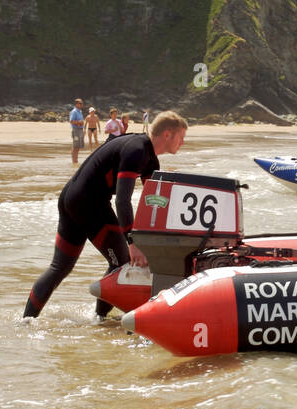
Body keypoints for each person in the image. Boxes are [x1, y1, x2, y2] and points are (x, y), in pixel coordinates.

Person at [24, 111, 188, 319]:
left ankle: (26, 321)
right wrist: (133, 243)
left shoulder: (150, 160)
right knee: (120, 262)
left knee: (60, 267)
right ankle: (99, 320)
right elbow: (122, 200)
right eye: (181, 137)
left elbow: (154, 205)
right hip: (88, 204)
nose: (183, 143)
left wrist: (164, 237)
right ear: (167, 135)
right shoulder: (136, 150)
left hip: (71, 198)